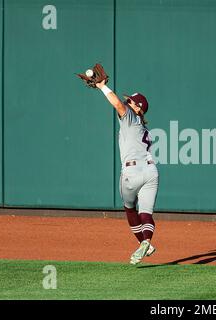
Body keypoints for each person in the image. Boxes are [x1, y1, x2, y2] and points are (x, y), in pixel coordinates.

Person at [96, 79, 159, 265]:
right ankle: (147, 241)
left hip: (132, 172)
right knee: (146, 213)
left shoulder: (131, 117)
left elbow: (116, 103)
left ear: (138, 108)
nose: (127, 103)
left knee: (130, 209)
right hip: (151, 171)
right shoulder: (144, 128)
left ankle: (143, 242)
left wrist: (102, 87)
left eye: (130, 102)